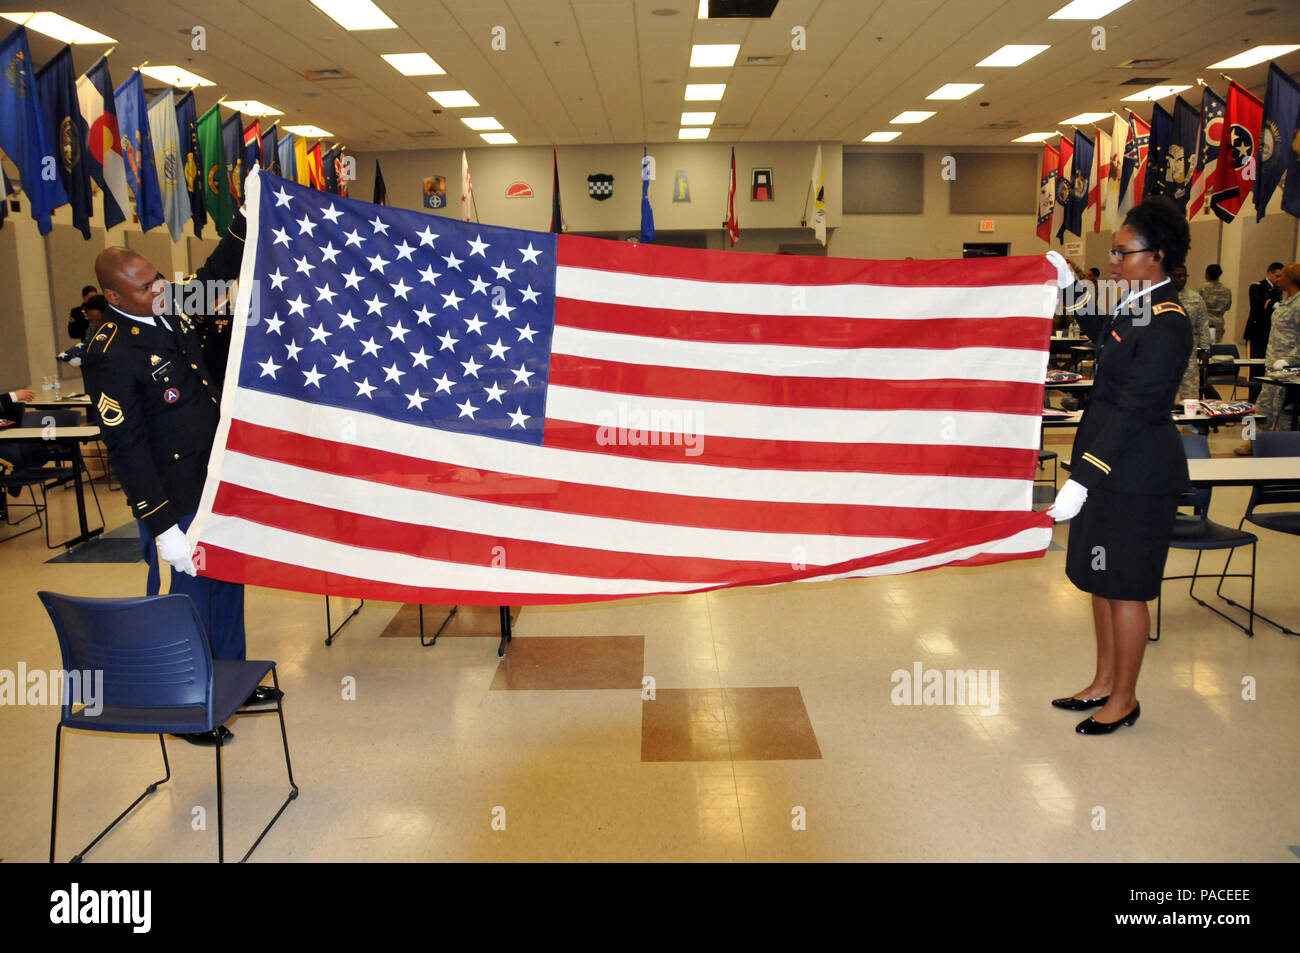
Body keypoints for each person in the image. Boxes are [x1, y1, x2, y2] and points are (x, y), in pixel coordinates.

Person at [80, 208, 275, 746]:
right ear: (115, 298)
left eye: (159, 277)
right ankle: (192, 700)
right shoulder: (110, 353)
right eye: (145, 287)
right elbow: (128, 447)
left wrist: (244, 217)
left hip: (214, 480)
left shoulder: (167, 306)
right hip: (177, 494)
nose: (160, 290)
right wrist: (162, 526)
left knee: (227, 580)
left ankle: (231, 677)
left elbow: (213, 276)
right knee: (191, 597)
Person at [1047, 196, 1193, 735]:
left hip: (1135, 474)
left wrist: (1082, 479)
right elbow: (1097, 331)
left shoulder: (1168, 320)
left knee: (1127, 586)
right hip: (1106, 461)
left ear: (1156, 257)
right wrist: (1069, 287)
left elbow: (1134, 410)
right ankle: (1103, 681)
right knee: (1099, 579)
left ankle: (1125, 700)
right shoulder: (1137, 304)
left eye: (1122, 252)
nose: (1113, 260)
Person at [1239, 262, 1300, 452]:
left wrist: (1289, 362)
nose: (1277, 279)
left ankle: (1281, 448)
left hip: (1288, 370)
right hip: (1272, 367)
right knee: (1263, 406)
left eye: (1281, 276)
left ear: (1290, 279)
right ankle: (1254, 443)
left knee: (1283, 411)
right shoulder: (1286, 300)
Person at [1171, 264, 1211, 401]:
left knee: (1190, 397)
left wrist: (1205, 349)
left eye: (1184, 276)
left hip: (1187, 356)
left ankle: (1190, 422)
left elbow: (1203, 325)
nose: (1182, 279)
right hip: (1162, 356)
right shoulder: (1157, 298)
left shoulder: (1195, 299)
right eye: (1178, 276)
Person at [1244, 262, 1284, 399]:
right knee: (1255, 369)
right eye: (1277, 276)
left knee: (1268, 370)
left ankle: (1264, 399)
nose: (1279, 279)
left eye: (1281, 276)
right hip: (1256, 334)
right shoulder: (1256, 286)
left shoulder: (1280, 290)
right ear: (1270, 274)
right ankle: (1252, 399)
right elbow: (1258, 302)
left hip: (1271, 335)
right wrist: (1275, 304)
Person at [1197, 264, 1232, 341]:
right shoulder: (1226, 290)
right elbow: (1228, 306)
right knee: (1216, 349)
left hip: (1204, 322)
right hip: (1219, 324)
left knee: (1202, 347)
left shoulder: (1202, 288)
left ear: (1207, 274)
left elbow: (1197, 305)